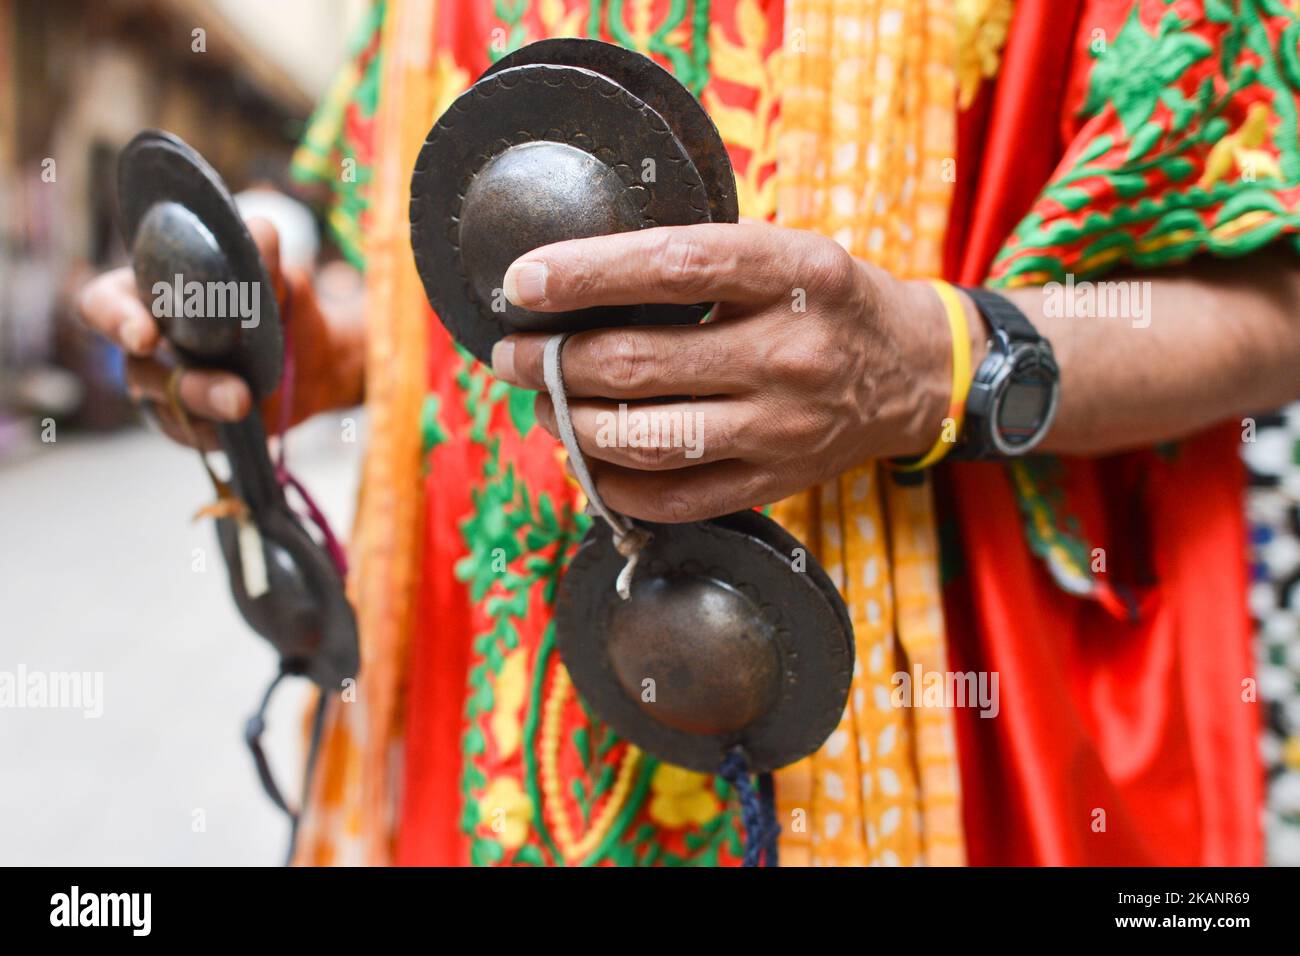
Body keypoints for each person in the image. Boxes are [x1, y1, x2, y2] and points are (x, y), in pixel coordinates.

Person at [78, 0, 1300, 866]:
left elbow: (1273, 294)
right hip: (472, 741)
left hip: (935, 744)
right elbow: (391, 282)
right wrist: (316, 346)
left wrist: (931, 362)